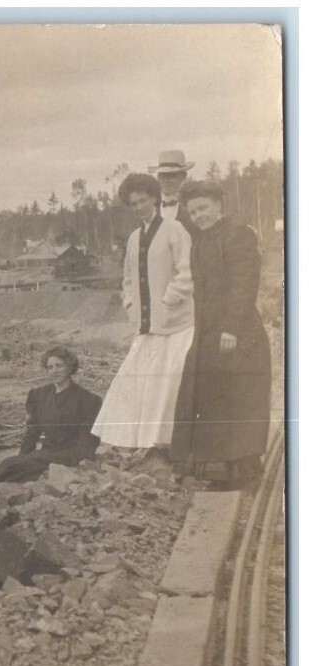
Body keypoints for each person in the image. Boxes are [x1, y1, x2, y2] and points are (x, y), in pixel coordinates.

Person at [170, 180, 271, 487]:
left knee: (239, 399)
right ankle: (219, 471)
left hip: (238, 335)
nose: (198, 215)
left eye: (203, 208)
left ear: (218, 205)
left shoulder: (238, 235)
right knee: (211, 398)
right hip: (208, 335)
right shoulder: (199, 243)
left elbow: (244, 284)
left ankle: (245, 472)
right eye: (193, 212)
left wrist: (231, 327)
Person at [92, 173, 194, 462]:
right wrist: (130, 305)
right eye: (133, 203)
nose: (139, 207)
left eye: (143, 200)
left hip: (176, 324)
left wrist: (168, 300)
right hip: (146, 326)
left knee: (169, 385)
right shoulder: (134, 238)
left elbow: (188, 270)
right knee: (140, 383)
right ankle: (149, 445)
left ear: (155, 199)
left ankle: (171, 447)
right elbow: (127, 278)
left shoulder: (174, 230)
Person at [0, 346, 103, 490]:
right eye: (50, 367)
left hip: (70, 455)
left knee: (12, 470)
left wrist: (80, 465)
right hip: (47, 452)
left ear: (70, 367)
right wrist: (23, 456)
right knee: (8, 465)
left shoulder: (88, 399)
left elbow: (88, 439)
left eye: (59, 366)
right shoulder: (39, 395)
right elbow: (33, 432)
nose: (54, 371)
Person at [149, 149, 197, 235]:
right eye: (162, 176)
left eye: (171, 175)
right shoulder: (148, 208)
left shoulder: (192, 208)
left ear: (183, 176)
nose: (166, 181)